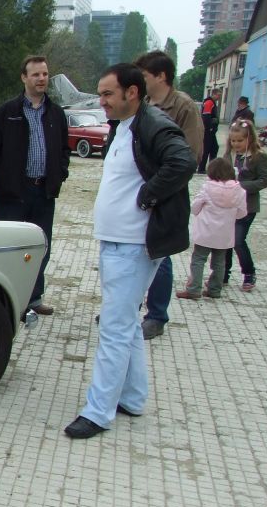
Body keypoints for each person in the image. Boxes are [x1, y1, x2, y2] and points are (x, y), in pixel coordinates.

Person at [64, 64, 195, 439]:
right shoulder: (125, 126)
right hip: (117, 242)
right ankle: (133, 397)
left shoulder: (152, 124)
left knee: (114, 327)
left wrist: (148, 194)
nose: (101, 101)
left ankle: (98, 412)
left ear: (131, 93)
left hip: (133, 246)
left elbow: (183, 161)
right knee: (125, 325)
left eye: (107, 94)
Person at [0, 55, 69, 315]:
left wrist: (59, 175)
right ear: (24, 77)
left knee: (41, 246)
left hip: (43, 192)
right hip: (13, 194)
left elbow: (64, 150)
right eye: (35, 74)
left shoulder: (56, 113)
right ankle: (5, 301)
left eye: (44, 74)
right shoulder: (8, 112)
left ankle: (33, 298)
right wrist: (3, 179)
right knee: (9, 248)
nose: (41, 78)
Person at [134, 50, 205, 340]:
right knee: (135, 253)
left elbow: (190, 156)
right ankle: (130, 307)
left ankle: (157, 315)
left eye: (145, 76)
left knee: (159, 254)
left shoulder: (184, 106)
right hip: (140, 193)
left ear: (161, 76)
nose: (139, 81)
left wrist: (156, 188)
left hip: (166, 194)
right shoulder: (144, 104)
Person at [175, 158, 246, 300]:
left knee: (198, 259)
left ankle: (194, 289)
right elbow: (242, 212)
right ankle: (215, 289)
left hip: (205, 231)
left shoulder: (207, 187)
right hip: (225, 234)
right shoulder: (240, 190)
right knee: (219, 262)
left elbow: (195, 207)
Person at [222, 119, 267, 291]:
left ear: (249, 138)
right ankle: (223, 274)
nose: (236, 144)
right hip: (229, 205)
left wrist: (242, 186)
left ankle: (249, 273)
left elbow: (265, 180)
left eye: (240, 141)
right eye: (233, 141)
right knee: (226, 240)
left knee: (238, 240)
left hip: (248, 206)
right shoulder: (228, 155)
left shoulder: (259, 156)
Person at [198, 88, 222, 173]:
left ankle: (212, 168)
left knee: (214, 148)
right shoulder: (209, 102)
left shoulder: (212, 103)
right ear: (214, 94)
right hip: (208, 131)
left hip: (210, 131)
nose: (219, 97)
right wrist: (210, 127)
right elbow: (206, 116)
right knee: (206, 149)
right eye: (218, 95)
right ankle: (201, 168)